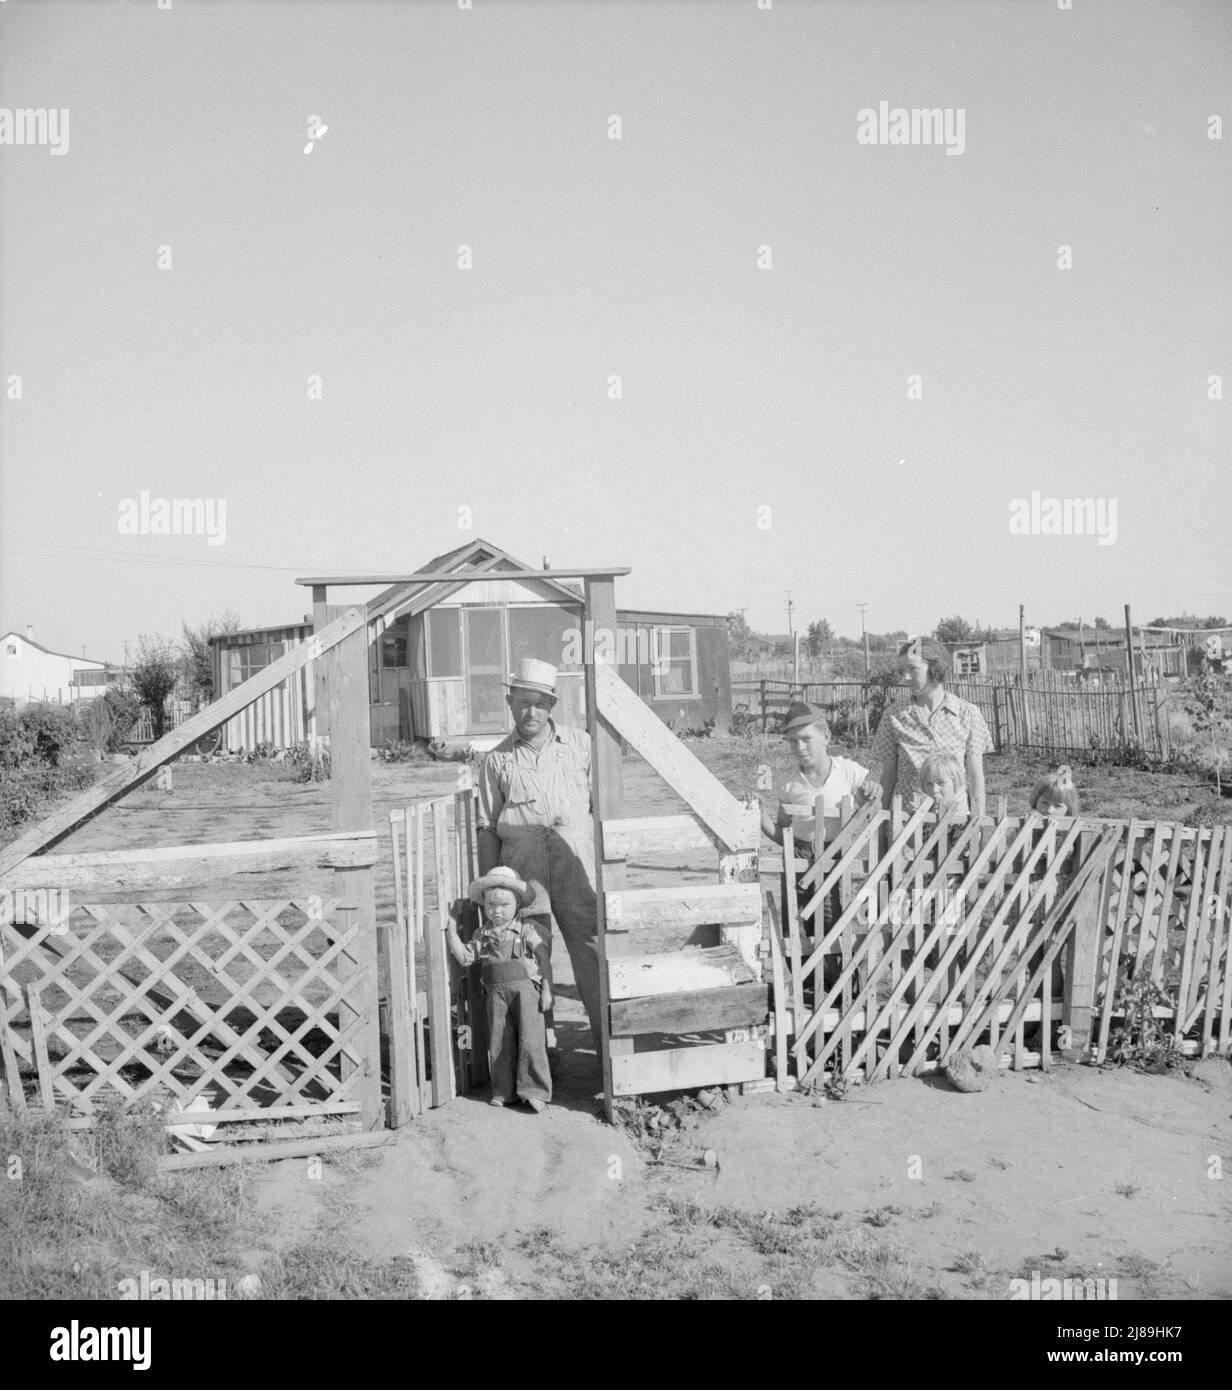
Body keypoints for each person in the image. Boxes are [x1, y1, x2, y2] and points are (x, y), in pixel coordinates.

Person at [475, 657, 603, 1053]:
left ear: (553, 705)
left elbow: (603, 811)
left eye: (540, 703)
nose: (531, 711)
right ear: (510, 701)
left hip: (575, 871)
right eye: (523, 701)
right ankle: (539, 1060)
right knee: (529, 963)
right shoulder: (497, 759)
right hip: (522, 876)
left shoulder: (581, 745)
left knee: (594, 954)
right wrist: (490, 892)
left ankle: (608, 1053)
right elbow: (487, 826)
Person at [760, 701, 880, 994]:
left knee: (832, 923)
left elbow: (874, 788)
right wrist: (759, 819)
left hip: (836, 857)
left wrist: (872, 789)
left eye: (806, 739)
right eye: (792, 741)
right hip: (798, 857)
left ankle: (842, 990)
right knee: (795, 925)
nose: (800, 747)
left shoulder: (847, 771)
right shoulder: (788, 783)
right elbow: (782, 832)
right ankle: (809, 990)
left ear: (825, 737)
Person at [446, 867, 552, 1112]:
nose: (497, 911)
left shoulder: (526, 929)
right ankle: (504, 1091)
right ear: (484, 906)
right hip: (495, 994)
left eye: (504, 905)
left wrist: (547, 990)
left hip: (526, 992)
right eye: (491, 905)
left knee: (531, 1040)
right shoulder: (482, 935)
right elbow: (464, 957)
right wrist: (452, 929)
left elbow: (543, 958)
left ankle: (535, 1091)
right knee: (499, 1041)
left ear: (517, 904)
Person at [871, 637, 993, 819]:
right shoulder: (894, 716)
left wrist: (977, 826)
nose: (906, 677)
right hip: (906, 828)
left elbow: (976, 778)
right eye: (903, 670)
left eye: (913, 669)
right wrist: (881, 830)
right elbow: (887, 778)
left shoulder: (967, 714)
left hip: (954, 825)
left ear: (935, 669)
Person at [916, 751, 969, 819]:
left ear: (955, 782)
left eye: (941, 783)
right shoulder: (922, 816)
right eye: (929, 784)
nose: (934, 790)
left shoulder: (963, 820)